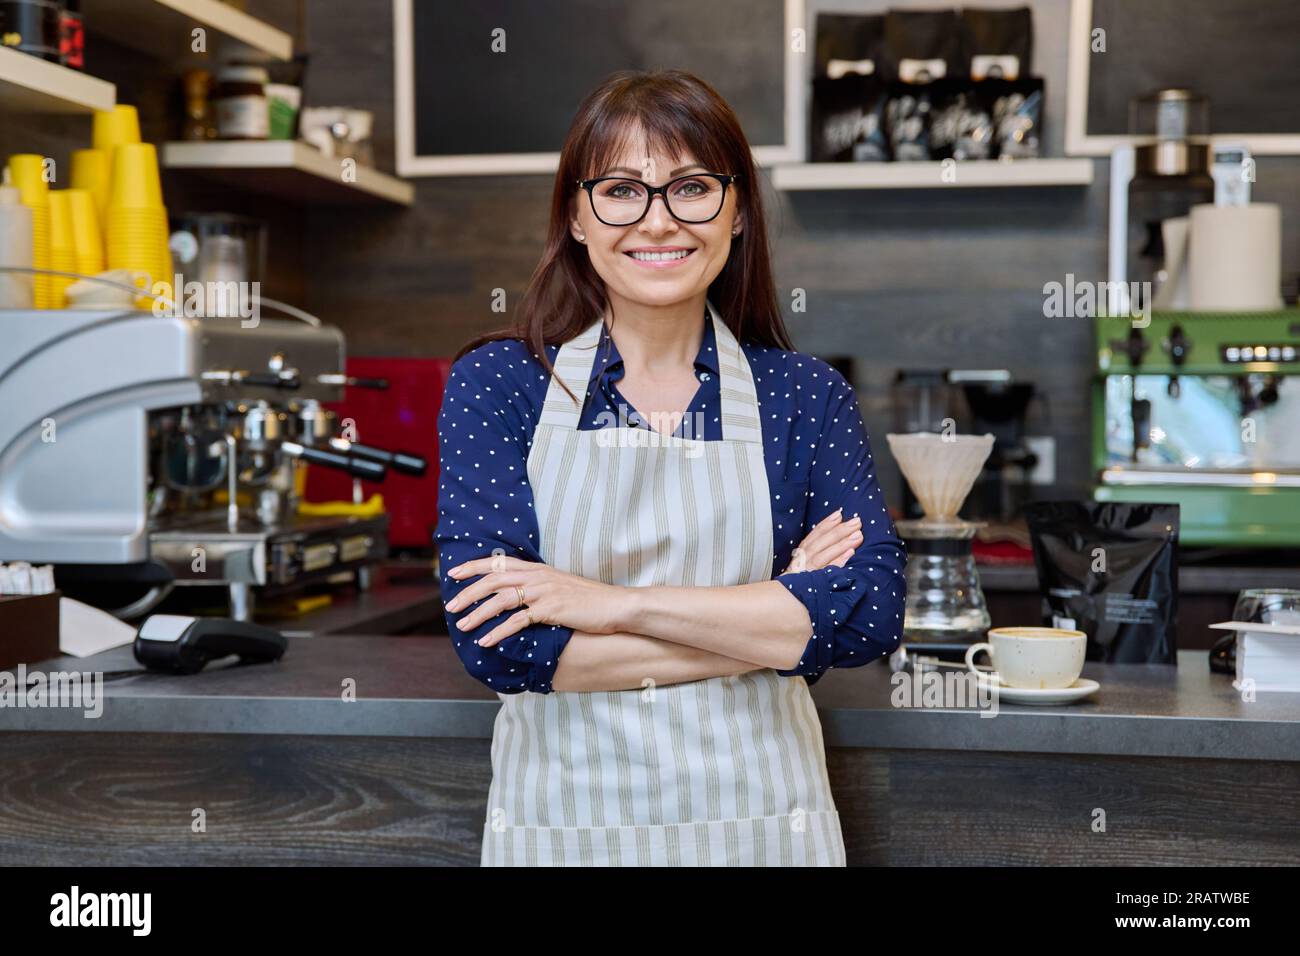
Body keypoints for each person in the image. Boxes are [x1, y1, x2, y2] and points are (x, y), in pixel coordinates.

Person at [436, 69, 906, 866]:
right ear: (578, 217)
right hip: (567, 828)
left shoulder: (803, 396)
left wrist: (605, 605)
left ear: (739, 212)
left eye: (691, 187)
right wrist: (772, 623)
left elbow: (867, 615)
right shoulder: (502, 385)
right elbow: (501, 649)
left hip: (763, 826)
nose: (657, 221)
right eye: (621, 190)